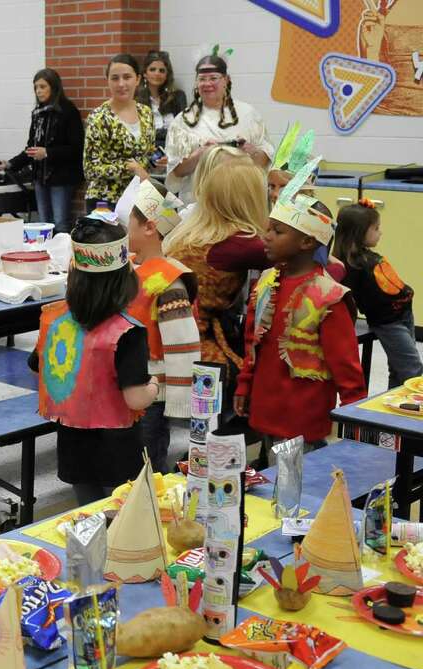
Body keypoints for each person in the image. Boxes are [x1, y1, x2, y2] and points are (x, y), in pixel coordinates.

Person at [31, 214, 158, 503]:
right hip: (117, 452)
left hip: (73, 444)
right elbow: (136, 399)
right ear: (125, 280)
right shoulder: (128, 333)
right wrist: (155, 385)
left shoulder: (56, 321)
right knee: (123, 522)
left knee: (88, 515)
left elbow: (38, 367)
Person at [235, 178, 365, 452]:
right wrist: (244, 387)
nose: (266, 237)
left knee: (302, 489)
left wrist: (358, 424)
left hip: (306, 422)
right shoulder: (267, 282)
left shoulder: (328, 296)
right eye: (268, 229)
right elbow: (252, 344)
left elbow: (347, 367)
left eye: (278, 231)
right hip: (265, 410)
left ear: (307, 241)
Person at [162, 154, 268, 370]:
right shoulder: (237, 243)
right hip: (199, 351)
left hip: (171, 339)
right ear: (251, 199)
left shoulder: (195, 233)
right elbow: (303, 258)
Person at [125, 179, 200, 472]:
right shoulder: (131, 268)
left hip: (154, 394)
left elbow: (183, 346)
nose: (125, 227)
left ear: (149, 227)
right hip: (130, 386)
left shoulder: (171, 281)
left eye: (129, 220)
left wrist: (181, 404)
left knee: (147, 465)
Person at [166, 53, 274, 204]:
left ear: (226, 80)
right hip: (200, 201)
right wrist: (200, 154)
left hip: (240, 199)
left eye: (213, 78)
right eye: (202, 79)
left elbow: (266, 160)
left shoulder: (248, 114)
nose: (207, 84)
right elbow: (174, 172)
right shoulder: (182, 121)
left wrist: (250, 151)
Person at [335, 199, 421, 387]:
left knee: (399, 372)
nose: (380, 232)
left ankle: (394, 412)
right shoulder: (350, 266)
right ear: (358, 232)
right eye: (375, 228)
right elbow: (346, 298)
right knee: (413, 370)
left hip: (405, 314)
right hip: (388, 323)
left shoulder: (366, 256)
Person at [0, 68, 84, 234]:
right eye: (36, 87)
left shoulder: (68, 111)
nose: (38, 91)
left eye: (43, 86)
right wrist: (10, 164)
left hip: (61, 177)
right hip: (40, 178)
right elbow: (31, 149)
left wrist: (47, 153)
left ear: (54, 87)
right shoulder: (37, 114)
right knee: (43, 223)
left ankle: (62, 257)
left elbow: (76, 148)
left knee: (60, 223)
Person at [83, 54, 155, 211]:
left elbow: (148, 155)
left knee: (168, 226)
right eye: (115, 78)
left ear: (137, 79)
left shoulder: (146, 112)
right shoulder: (99, 117)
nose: (121, 84)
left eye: (127, 77)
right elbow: (89, 169)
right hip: (106, 201)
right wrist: (129, 168)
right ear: (107, 81)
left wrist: (157, 161)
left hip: (141, 197)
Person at [135, 50, 187, 152]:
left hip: (174, 152)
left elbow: (183, 129)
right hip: (147, 153)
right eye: (152, 69)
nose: (157, 74)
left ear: (167, 75)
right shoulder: (136, 100)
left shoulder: (178, 97)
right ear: (145, 73)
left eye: (162, 70)